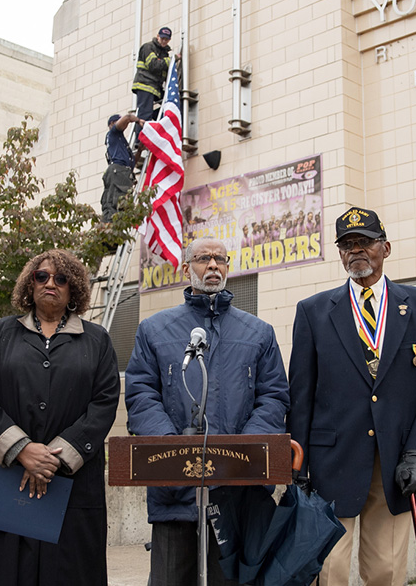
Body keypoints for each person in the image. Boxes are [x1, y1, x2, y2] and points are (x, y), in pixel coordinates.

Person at [287, 207, 416, 586]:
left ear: (385, 247)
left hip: (396, 464)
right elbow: (301, 395)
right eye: (347, 244)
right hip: (330, 462)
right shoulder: (312, 312)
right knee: (330, 569)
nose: (356, 250)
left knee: (386, 570)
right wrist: (298, 467)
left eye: (365, 242)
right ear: (340, 254)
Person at [125, 237, 289, 586]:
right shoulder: (154, 330)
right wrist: (172, 450)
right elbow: (140, 394)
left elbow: (274, 396)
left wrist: (242, 452)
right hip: (174, 491)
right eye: (203, 259)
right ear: (187, 269)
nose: (213, 266)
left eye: (220, 259)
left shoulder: (258, 332)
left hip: (237, 492)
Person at [0, 250, 120, 585]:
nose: (51, 283)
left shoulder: (98, 340)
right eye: (42, 276)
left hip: (74, 486)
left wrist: (53, 459)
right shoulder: (1, 334)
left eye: (61, 278)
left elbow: (105, 403)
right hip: (11, 482)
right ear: (29, 283)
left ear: (74, 288)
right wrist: (22, 450)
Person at [131, 26, 174, 142]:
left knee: (169, 104)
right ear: (158, 37)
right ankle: (140, 140)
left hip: (155, 87)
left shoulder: (164, 53)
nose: (164, 41)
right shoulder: (148, 47)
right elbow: (153, 65)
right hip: (145, 85)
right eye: (162, 38)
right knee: (144, 113)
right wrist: (170, 61)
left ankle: (154, 124)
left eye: (167, 39)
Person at [101, 112, 142, 222]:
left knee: (121, 207)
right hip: (118, 172)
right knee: (115, 206)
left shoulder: (121, 143)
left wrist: (140, 150)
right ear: (112, 124)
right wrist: (138, 120)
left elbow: (132, 163)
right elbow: (128, 117)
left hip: (122, 172)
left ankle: (113, 230)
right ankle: (109, 231)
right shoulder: (113, 134)